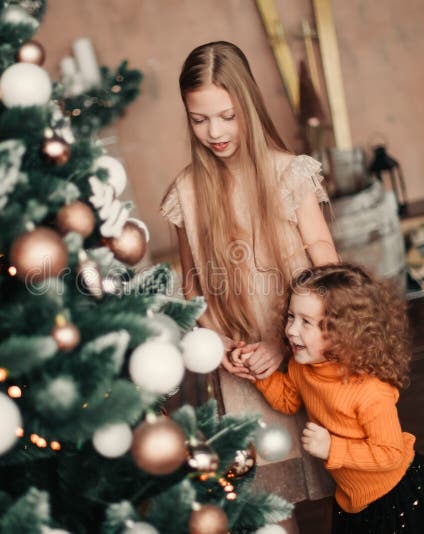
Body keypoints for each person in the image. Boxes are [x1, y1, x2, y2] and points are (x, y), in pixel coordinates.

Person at [160, 40, 338, 505]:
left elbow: (329, 271)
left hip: (309, 355)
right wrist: (214, 339)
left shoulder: (290, 175)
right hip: (243, 367)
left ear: (250, 107)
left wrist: (287, 342)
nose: (213, 131)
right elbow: (193, 281)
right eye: (198, 119)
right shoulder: (187, 192)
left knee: (344, 475)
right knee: (267, 497)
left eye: (227, 115)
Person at [249, 263, 424, 533]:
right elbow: (288, 400)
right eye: (291, 317)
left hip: (397, 497)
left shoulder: (369, 390)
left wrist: (333, 449)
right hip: (352, 499)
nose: (291, 330)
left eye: (306, 322)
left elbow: (389, 453)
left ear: (343, 332)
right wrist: (259, 372)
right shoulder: (302, 367)